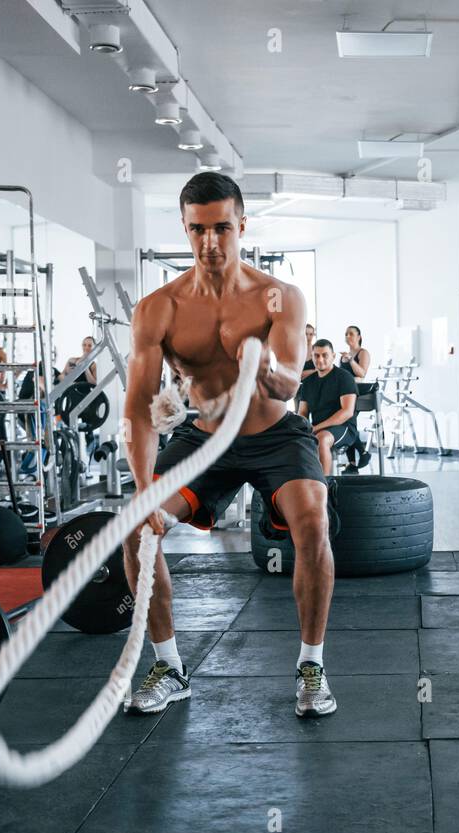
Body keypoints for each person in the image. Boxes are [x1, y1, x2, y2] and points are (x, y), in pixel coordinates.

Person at [122, 171, 338, 719]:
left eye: (222, 228)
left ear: (242, 225)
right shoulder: (159, 308)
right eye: (198, 230)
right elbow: (138, 407)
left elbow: (292, 382)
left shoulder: (280, 296)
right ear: (185, 229)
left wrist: (265, 367)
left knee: (314, 523)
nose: (210, 243)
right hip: (206, 439)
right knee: (133, 529)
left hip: (275, 435)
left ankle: (311, 665)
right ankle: (169, 664)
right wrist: (145, 484)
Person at [296, 339, 358, 475]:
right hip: (317, 428)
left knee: (321, 439)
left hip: (344, 428)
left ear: (333, 356)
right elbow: (302, 412)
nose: (320, 359)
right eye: (316, 355)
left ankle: (325, 487)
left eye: (325, 355)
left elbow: (347, 412)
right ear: (312, 357)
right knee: (291, 440)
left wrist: (316, 428)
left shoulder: (344, 377)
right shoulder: (307, 383)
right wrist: (299, 429)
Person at [338, 325, 373, 472]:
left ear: (359, 336)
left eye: (351, 334)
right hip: (343, 393)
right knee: (347, 424)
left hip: (356, 393)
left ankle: (362, 453)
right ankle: (353, 463)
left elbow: (362, 374)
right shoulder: (343, 355)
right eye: (346, 334)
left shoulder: (362, 353)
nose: (348, 336)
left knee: (348, 424)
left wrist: (351, 360)